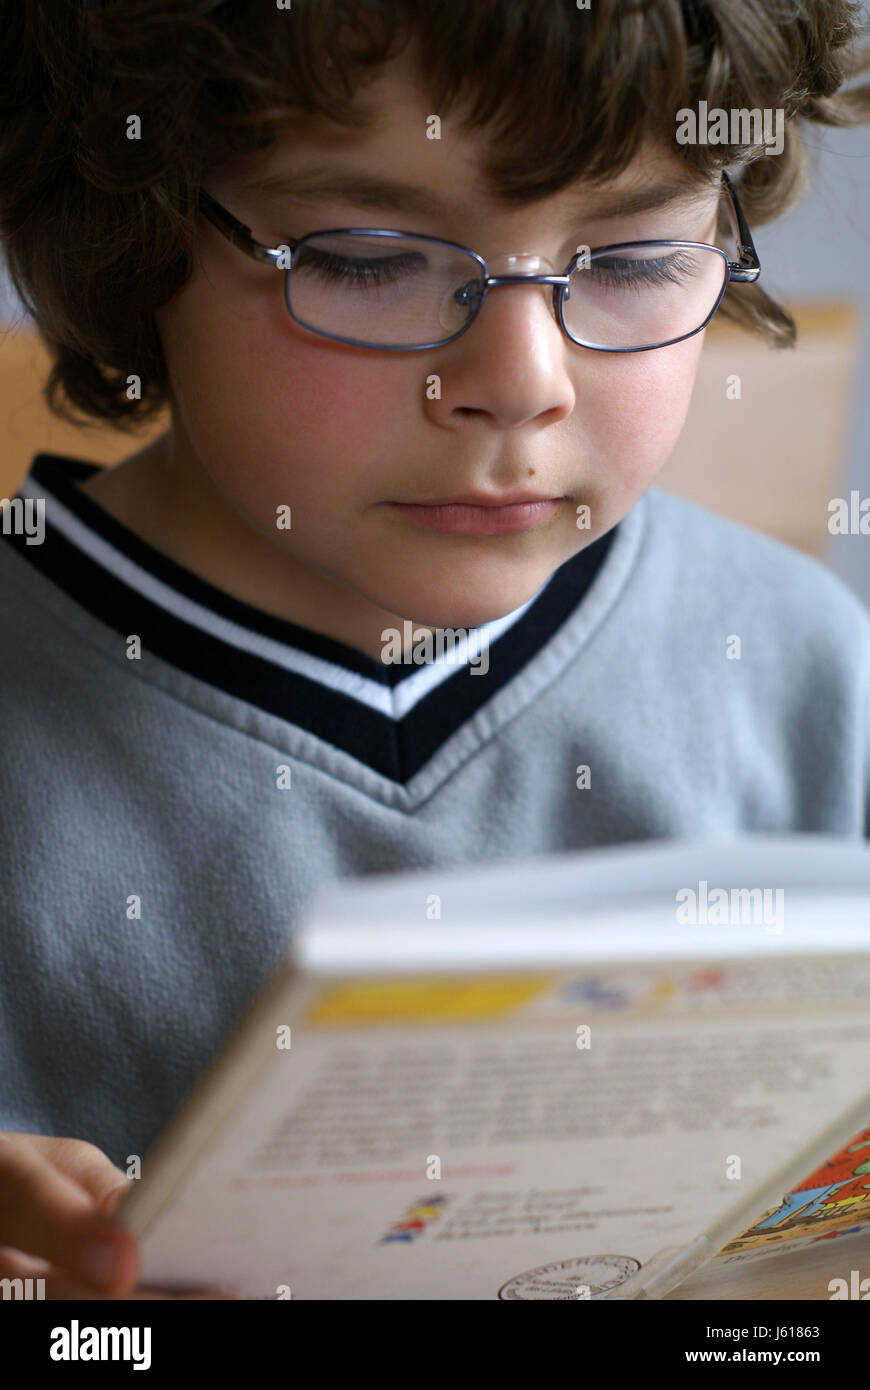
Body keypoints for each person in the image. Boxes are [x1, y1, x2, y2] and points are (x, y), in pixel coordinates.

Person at [0, 0, 868, 1300]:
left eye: (630, 258)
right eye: (362, 256)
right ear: (131, 232)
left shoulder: (801, 663)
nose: (519, 380)